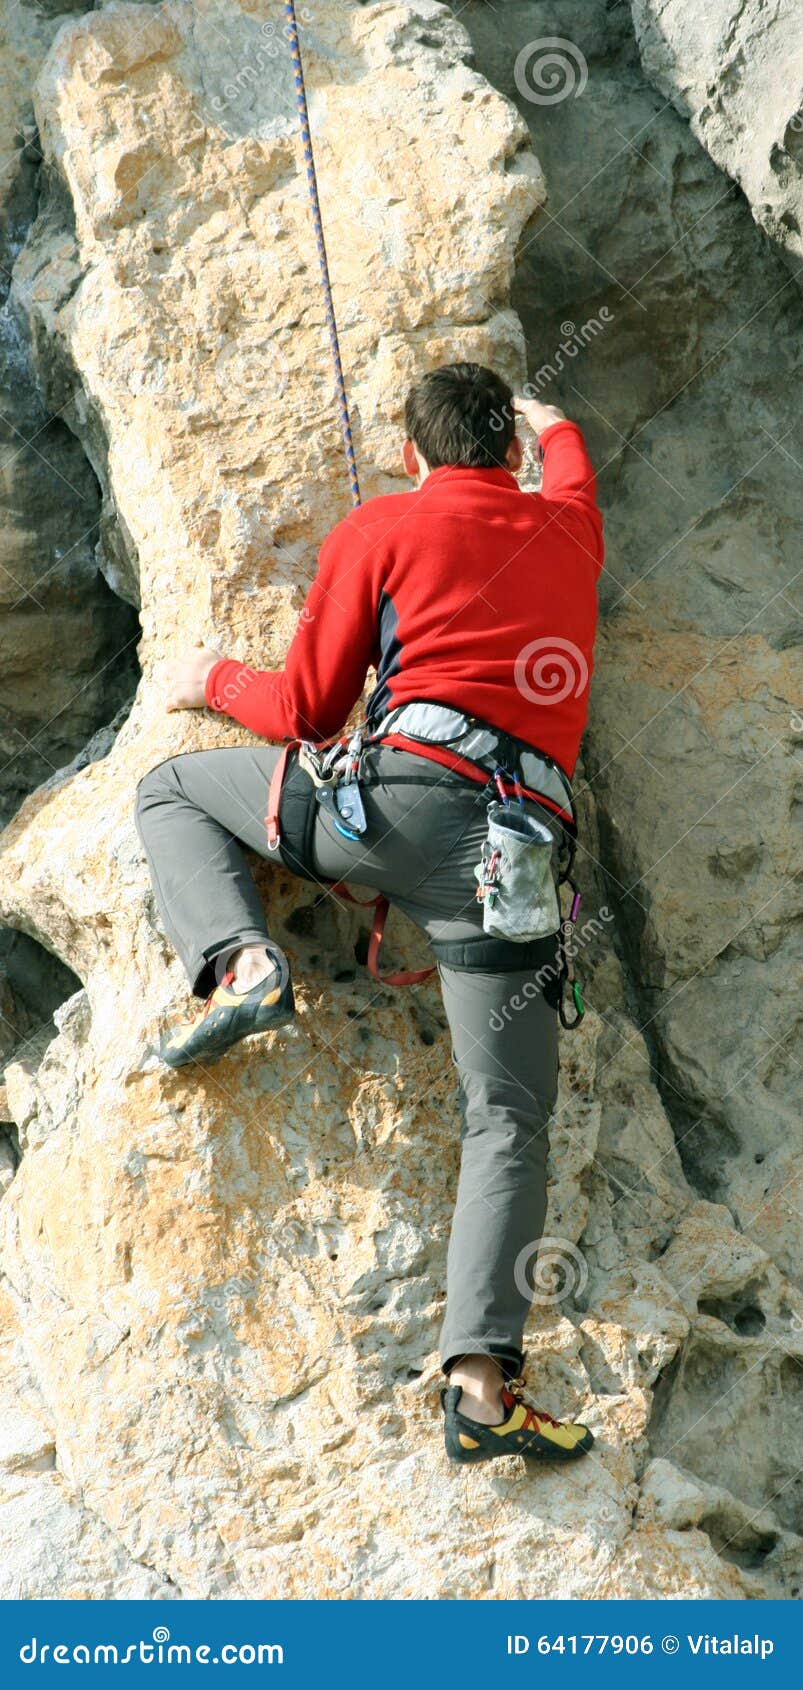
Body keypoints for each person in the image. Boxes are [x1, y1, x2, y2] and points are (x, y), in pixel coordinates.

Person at [134, 363, 603, 1465]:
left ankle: (244, 966)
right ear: (512, 454)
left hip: (383, 816)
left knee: (169, 792)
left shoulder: (379, 527)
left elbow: (303, 709)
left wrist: (214, 676)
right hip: (510, 860)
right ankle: (479, 1393)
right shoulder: (569, 530)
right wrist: (553, 425)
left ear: (409, 454)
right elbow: (575, 473)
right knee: (507, 1116)